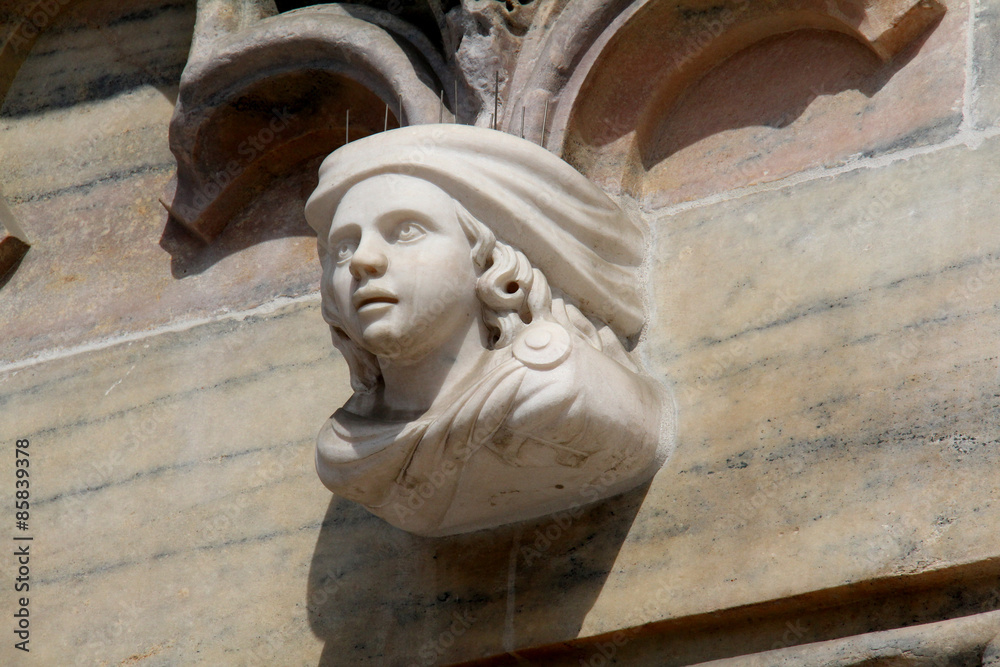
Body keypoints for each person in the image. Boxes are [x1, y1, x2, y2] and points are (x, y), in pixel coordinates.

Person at [304, 124, 670, 536]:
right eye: (343, 247)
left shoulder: (557, 392)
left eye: (406, 231)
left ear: (489, 260)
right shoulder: (344, 451)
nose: (362, 261)